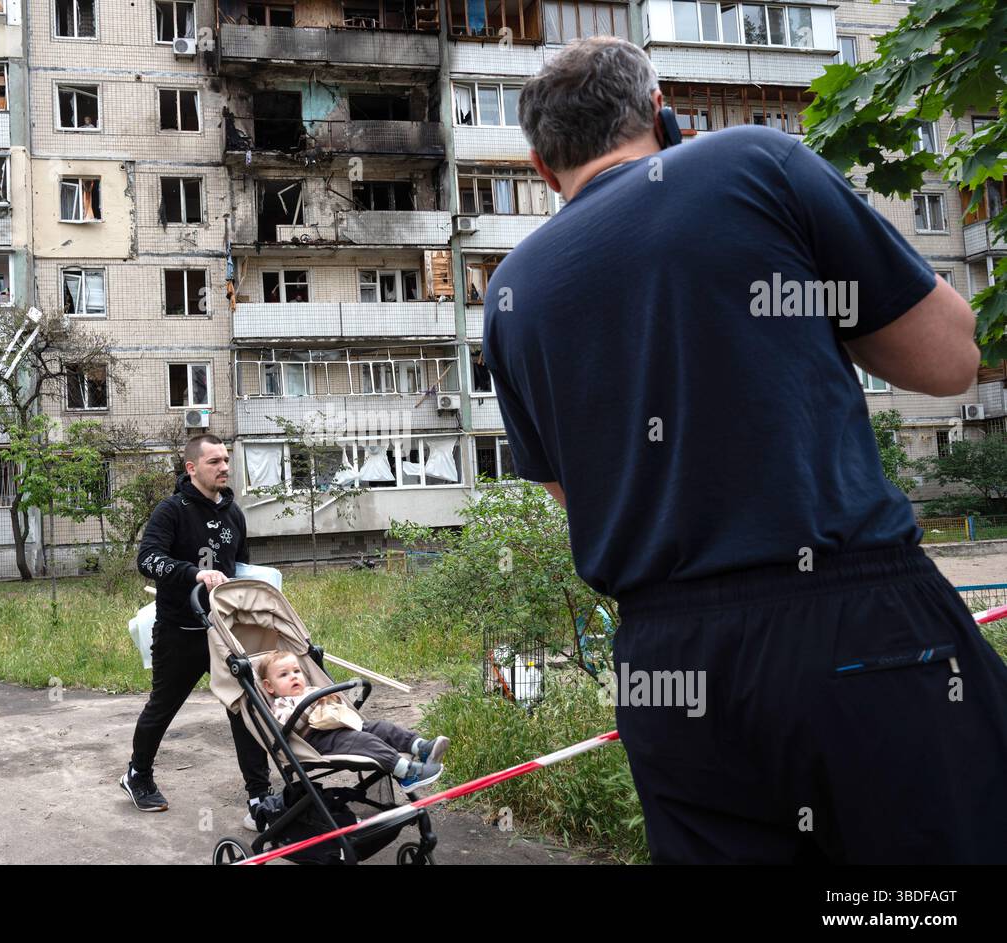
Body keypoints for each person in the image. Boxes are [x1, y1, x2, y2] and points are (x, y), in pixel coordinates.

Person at [482, 36, 1007, 863]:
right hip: (849, 620)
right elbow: (948, 363)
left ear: (544, 171)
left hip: (666, 665)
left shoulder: (511, 291)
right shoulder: (756, 162)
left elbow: (576, 500)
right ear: (666, 119)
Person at [120, 434, 272, 829]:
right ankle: (138, 774)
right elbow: (148, 560)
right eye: (214, 462)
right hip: (179, 630)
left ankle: (259, 797)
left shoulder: (233, 513)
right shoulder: (171, 510)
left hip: (223, 633)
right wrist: (193, 573)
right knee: (163, 706)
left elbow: (240, 567)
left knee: (245, 705)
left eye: (226, 460)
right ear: (192, 468)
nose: (224, 467)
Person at [257, 650, 449, 792]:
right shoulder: (280, 704)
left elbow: (336, 704)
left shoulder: (310, 691)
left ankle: (421, 747)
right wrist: (313, 703)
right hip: (318, 739)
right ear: (269, 686)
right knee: (366, 742)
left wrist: (331, 698)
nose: (293, 677)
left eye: (296, 671)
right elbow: (292, 725)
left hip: (342, 725)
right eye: (284, 674)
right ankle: (406, 773)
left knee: (382, 727)